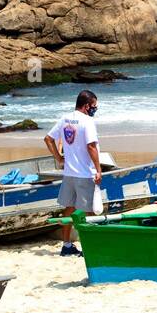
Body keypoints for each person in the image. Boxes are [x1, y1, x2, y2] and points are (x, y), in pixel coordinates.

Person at [45, 90, 102, 257]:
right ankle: (89, 247)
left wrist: (59, 158)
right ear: (86, 106)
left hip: (69, 173)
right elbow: (91, 146)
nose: (95, 109)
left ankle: (67, 245)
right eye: (94, 106)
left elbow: (48, 138)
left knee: (69, 209)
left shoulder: (65, 118)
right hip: (85, 174)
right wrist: (98, 169)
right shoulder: (87, 121)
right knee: (89, 212)